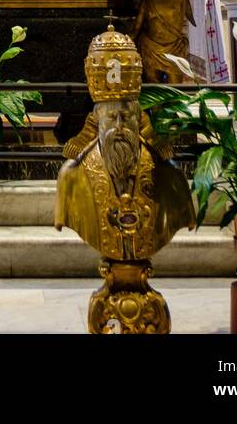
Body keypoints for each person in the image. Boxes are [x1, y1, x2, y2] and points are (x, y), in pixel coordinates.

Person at [55, 26, 194, 334]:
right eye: (110, 117)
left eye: (127, 117)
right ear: (96, 120)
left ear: (139, 118)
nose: (119, 126)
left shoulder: (168, 176)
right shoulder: (72, 178)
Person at [131, 0, 207, 84]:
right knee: (154, 87)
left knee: (175, 86)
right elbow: (136, 29)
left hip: (175, 48)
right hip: (150, 50)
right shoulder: (147, 2)